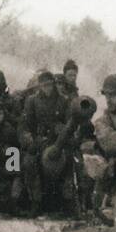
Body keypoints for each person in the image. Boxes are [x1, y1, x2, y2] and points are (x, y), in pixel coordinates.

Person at [20, 70, 78, 213]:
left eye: (50, 85)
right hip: (39, 142)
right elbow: (25, 125)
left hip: (59, 141)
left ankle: (70, 200)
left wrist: (63, 131)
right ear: (39, 86)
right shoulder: (32, 101)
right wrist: (29, 141)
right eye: (44, 85)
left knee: (72, 161)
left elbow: (70, 124)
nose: (47, 88)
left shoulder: (64, 101)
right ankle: (35, 200)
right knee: (28, 162)